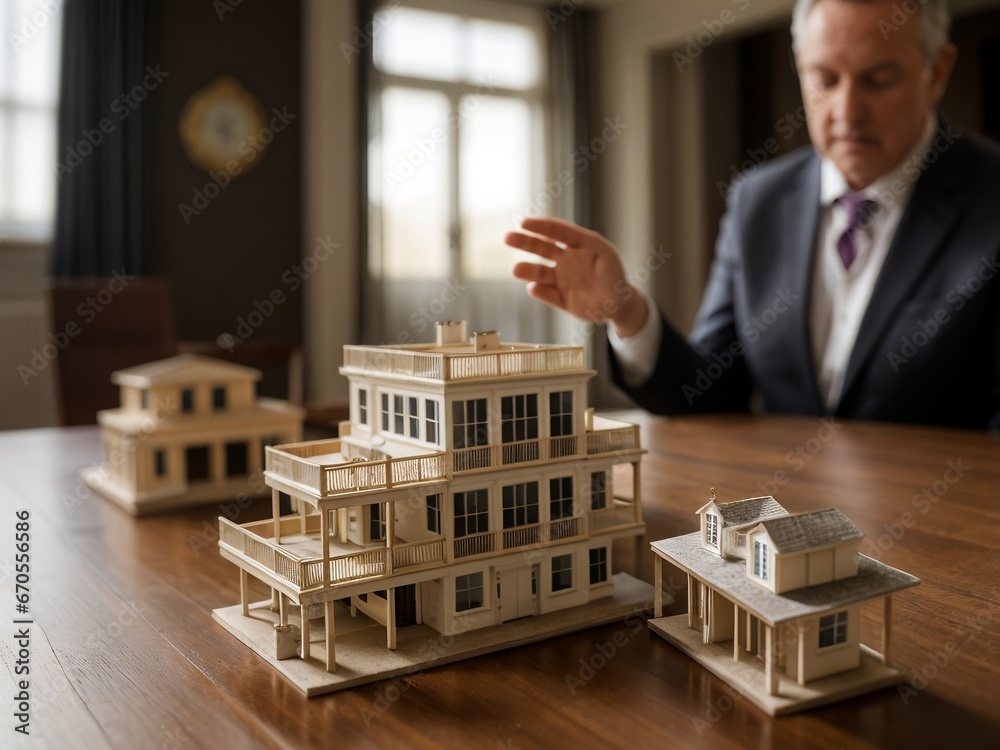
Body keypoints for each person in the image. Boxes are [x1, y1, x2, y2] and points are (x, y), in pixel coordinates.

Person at [505, 0, 1000, 431]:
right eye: (825, 79)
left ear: (936, 72)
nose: (848, 111)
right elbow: (707, 392)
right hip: (789, 518)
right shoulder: (757, 200)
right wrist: (626, 310)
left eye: (879, 80)